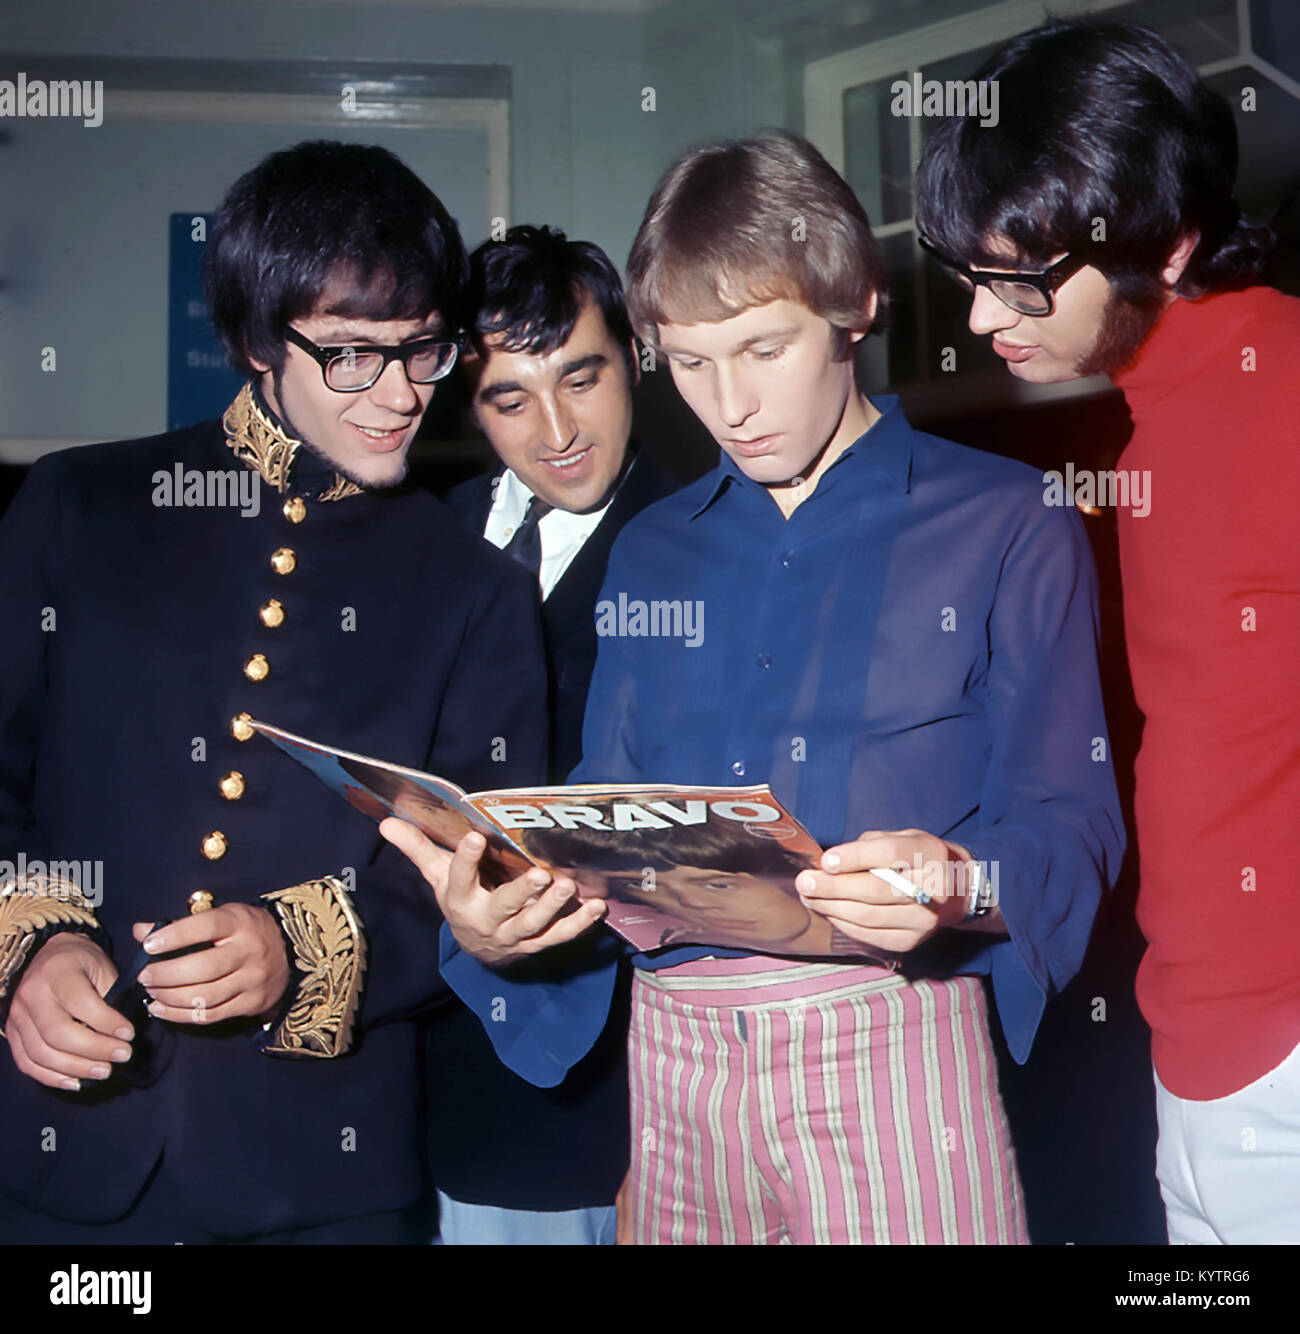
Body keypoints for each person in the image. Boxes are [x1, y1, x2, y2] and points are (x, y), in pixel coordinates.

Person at [384, 128, 1125, 1245]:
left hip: (891, 1036)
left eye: (764, 348)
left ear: (857, 306)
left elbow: (1072, 826)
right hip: (672, 1060)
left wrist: (961, 881)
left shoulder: (1010, 521)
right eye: (688, 362)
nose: (727, 404)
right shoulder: (649, 551)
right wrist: (504, 921)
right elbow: (608, 813)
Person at [0, 140, 547, 1243]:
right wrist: (32, 940)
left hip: (327, 1188)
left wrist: (300, 951)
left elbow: (494, 868)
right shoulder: (77, 506)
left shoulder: (477, 590)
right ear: (256, 342)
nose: (401, 395)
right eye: (351, 355)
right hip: (59, 1166)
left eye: (423, 350)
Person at [914, 17, 1299, 1244]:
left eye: (1019, 280)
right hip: (1196, 1045)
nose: (982, 321)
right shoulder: (1147, 426)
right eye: (969, 276)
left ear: (1171, 243)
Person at [423, 224, 677, 1245]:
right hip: (410, 1067)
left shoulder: (703, 540)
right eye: (509, 397)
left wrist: (654, 1146)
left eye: (583, 376)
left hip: (604, 1084)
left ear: (633, 360)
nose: (557, 429)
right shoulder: (417, 534)